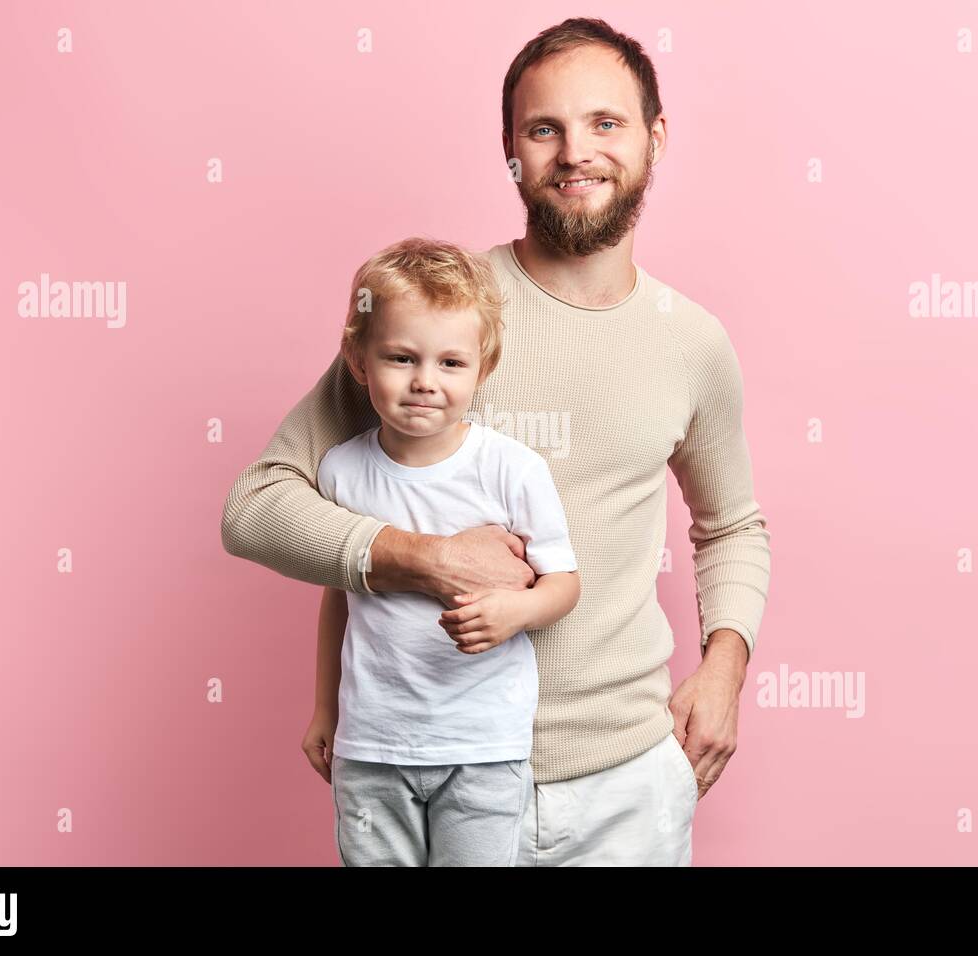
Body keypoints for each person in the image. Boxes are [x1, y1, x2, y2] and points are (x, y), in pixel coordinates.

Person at [222, 17, 771, 866]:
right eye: (543, 128)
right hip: (437, 771)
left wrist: (725, 668)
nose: (575, 152)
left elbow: (731, 525)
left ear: (656, 139)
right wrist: (423, 557)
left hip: (627, 782)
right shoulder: (438, 318)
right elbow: (255, 509)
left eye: (606, 123)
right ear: (510, 150)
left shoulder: (692, 342)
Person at [302, 238, 580, 866]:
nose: (425, 382)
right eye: (402, 358)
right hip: (373, 745)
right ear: (357, 358)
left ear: (483, 367)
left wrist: (517, 611)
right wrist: (326, 710)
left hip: (481, 744)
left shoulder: (511, 469)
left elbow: (563, 583)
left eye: (451, 363)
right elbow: (339, 600)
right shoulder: (342, 473)